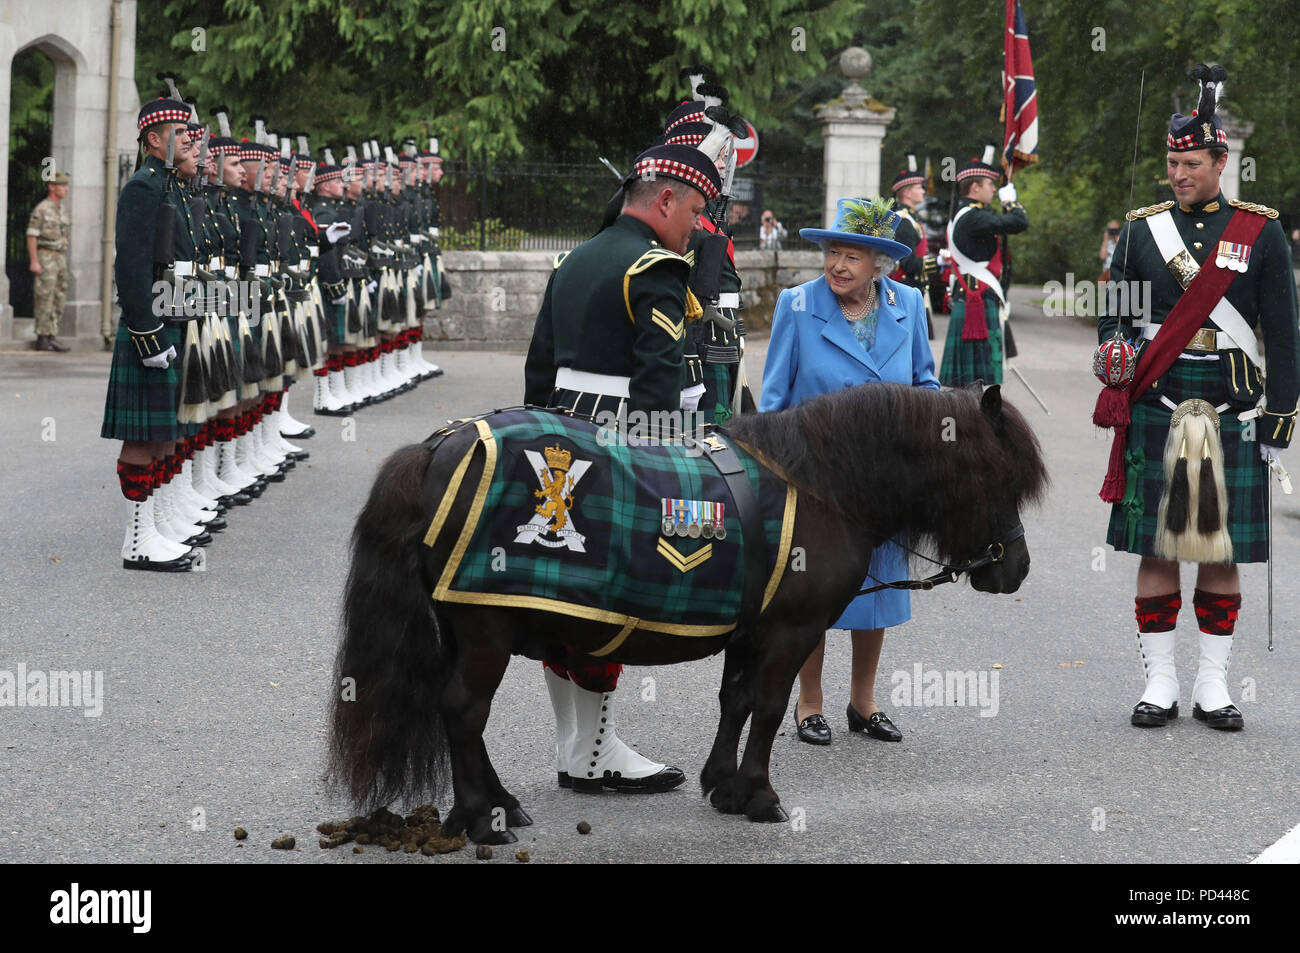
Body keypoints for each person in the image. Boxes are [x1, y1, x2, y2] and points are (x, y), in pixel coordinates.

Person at [1096, 63, 1298, 732]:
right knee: (1158, 548)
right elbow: (1114, 319)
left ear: (1220, 160)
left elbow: (1284, 334)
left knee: (1222, 549)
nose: (1178, 174)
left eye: (1190, 162)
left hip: (1233, 404)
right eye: (1172, 162)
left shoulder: (1260, 233)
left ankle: (1213, 683)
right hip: (1158, 400)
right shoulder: (1140, 230)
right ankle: (1160, 680)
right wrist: (1114, 351)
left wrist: (1281, 416)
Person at [524, 142, 722, 793]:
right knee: (612, 604)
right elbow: (658, 389)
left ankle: (574, 746)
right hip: (620, 451)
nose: (695, 225)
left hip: (556, 445)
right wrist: (670, 471)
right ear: (665, 200)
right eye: (693, 210)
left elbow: (539, 370)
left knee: (560, 598)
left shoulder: (573, 260)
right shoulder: (656, 266)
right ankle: (597, 748)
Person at [760, 196, 939, 744]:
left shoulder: (908, 304)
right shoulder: (796, 304)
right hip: (817, 478)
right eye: (832, 252)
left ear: (879, 264)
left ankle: (863, 703)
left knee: (877, 588)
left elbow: (926, 386)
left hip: (883, 482)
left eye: (852, 256)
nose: (838, 265)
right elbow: (772, 401)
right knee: (812, 593)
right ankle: (808, 702)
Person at [100, 97, 207, 571]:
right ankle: (138, 541)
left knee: (166, 435)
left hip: (176, 318)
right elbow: (131, 265)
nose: (188, 136)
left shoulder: (171, 187)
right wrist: (147, 332)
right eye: (178, 130)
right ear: (152, 139)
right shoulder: (144, 187)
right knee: (144, 438)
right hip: (154, 325)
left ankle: (157, 528)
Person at [937, 148, 1029, 386]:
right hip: (976, 297)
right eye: (990, 184)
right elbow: (1019, 222)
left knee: (971, 381)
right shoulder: (972, 217)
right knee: (974, 381)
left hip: (974, 293)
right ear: (974, 188)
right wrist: (1010, 201)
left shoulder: (967, 214)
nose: (994, 189)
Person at [27, 171, 72, 352]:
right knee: (44, 296)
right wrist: (34, 261)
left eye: (66, 186)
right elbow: (32, 235)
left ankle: (52, 335)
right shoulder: (41, 209)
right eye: (62, 185)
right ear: (52, 187)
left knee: (59, 295)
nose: (66, 189)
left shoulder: (61, 209)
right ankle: (42, 336)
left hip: (59, 256)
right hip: (45, 256)